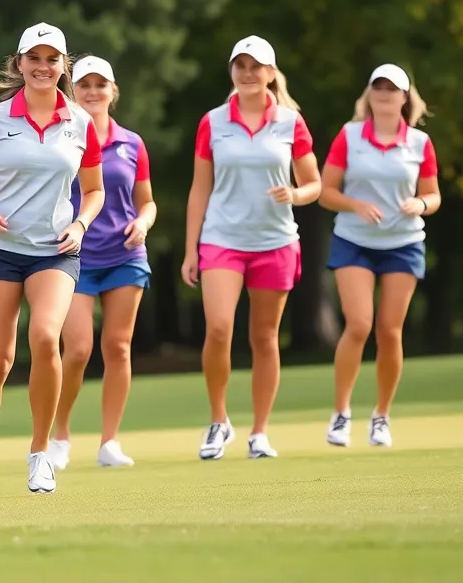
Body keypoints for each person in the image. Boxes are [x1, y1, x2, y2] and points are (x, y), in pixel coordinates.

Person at [0, 22, 105, 497]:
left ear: (64, 67)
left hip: (53, 252)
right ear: (19, 64)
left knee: (45, 336)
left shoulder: (80, 122)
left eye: (52, 59)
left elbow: (95, 190)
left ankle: (40, 454)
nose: (43, 67)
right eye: (34, 58)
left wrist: (80, 224)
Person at [181, 35, 320, 461]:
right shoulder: (213, 122)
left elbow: (314, 184)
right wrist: (190, 250)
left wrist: (295, 196)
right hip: (222, 238)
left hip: (275, 241)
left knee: (265, 337)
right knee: (219, 328)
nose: (246, 72)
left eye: (255, 66)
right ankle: (219, 420)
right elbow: (200, 189)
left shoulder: (290, 122)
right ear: (232, 72)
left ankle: (259, 431)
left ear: (271, 73)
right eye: (239, 65)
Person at [319, 64, 440, 448]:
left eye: (393, 89)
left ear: (405, 98)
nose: (385, 94)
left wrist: (419, 203)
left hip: (403, 244)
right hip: (355, 241)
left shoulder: (419, 144)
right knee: (358, 325)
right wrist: (355, 205)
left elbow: (434, 195)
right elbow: (325, 191)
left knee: (390, 332)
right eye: (379, 87)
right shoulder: (350, 135)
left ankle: (382, 416)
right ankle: (341, 414)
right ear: (369, 94)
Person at [50, 55, 156, 470]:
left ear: (113, 91)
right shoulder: (62, 136)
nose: (92, 92)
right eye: (85, 85)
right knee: (76, 348)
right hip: (74, 254)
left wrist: (144, 223)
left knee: (118, 346)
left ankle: (109, 441)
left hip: (125, 254)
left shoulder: (132, 143)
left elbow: (146, 202)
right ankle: (59, 435)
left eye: (101, 85)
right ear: (73, 90)